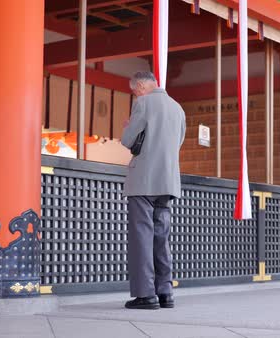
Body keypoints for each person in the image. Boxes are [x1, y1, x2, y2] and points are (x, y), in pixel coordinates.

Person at [121, 71, 186, 310]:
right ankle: (165, 292)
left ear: (140, 85)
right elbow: (178, 142)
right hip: (168, 180)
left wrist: (127, 127)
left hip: (144, 179)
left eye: (134, 90)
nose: (135, 94)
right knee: (161, 237)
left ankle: (146, 294)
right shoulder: (177, 107)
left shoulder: (143, 103)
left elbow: (128, 140)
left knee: (142, 237)